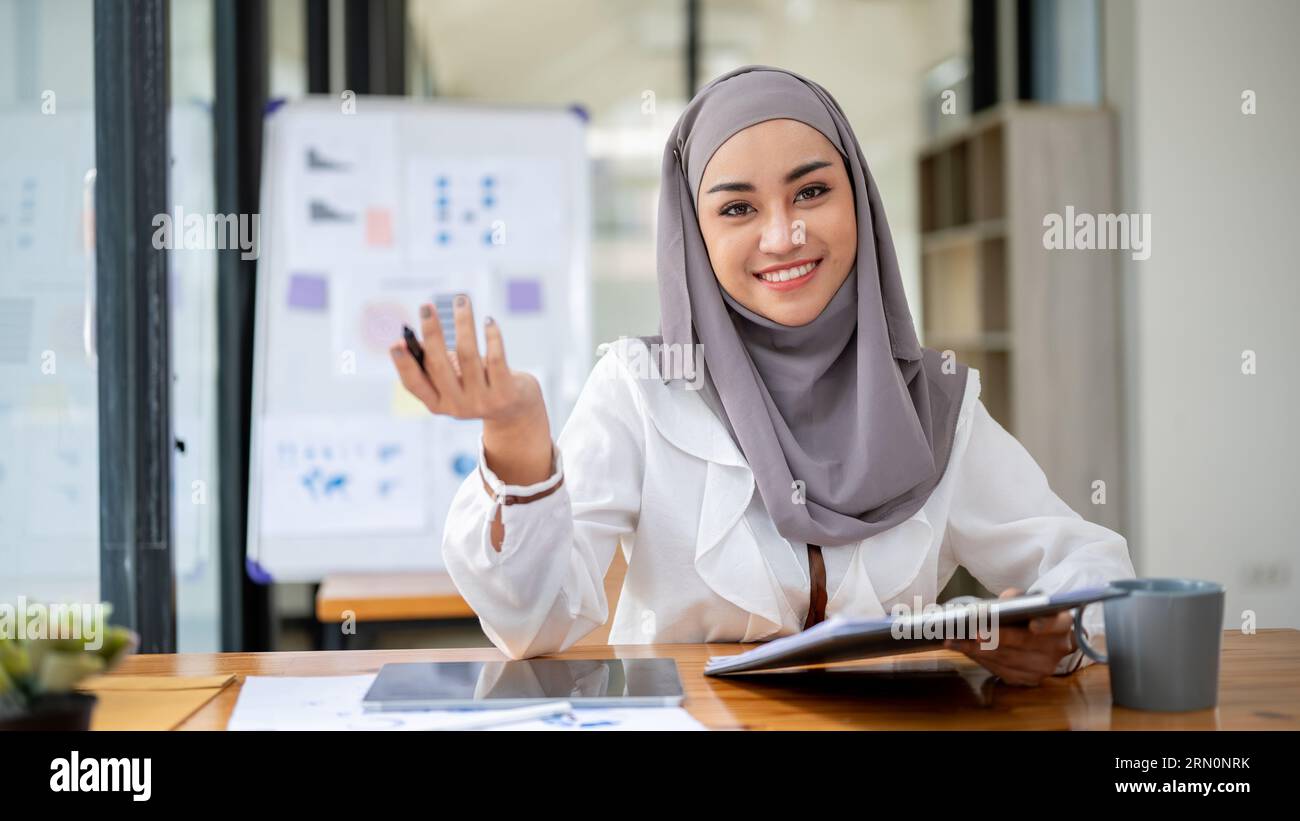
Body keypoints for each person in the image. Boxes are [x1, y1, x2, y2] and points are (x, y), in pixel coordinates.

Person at [389, 65, 1135, 686]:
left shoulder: (932, 400)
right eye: (738, 207)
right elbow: (535, 625)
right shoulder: (643, 388)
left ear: (860, 202)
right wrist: (518, 445)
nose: (784, 235)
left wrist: (1055, 635)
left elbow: (1096, 568)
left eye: (812, 191)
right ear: (695, 236)